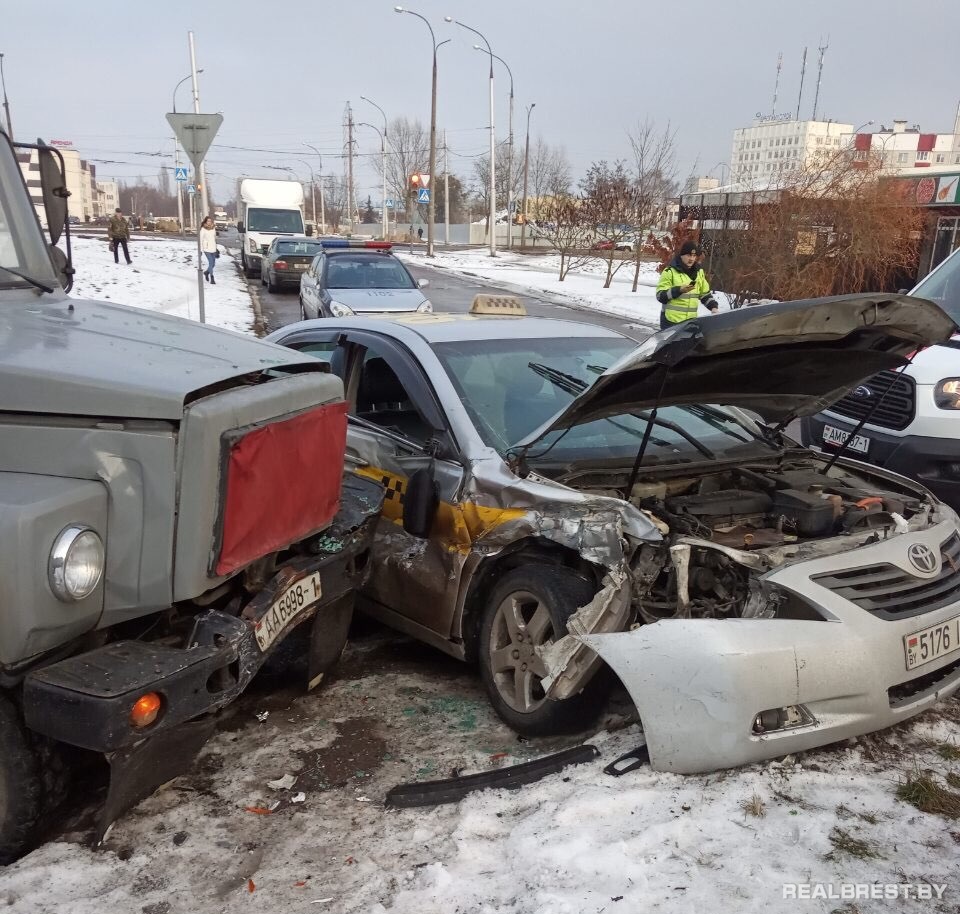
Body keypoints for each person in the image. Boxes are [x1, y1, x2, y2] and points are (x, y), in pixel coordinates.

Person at [655, 240, 718, 330]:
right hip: (671, 323)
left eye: (694, 256)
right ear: (682, 256)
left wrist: (713, 307)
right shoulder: (670, 271)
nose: (691, 259)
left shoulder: (699, 272)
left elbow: (705, 294)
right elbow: (660, 296)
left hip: (690, 323)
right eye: (688, 255)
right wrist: (679, 290)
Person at [199, 216, 218, 283]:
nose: (209, 222)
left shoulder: (213, 228)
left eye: (210, 221)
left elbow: (214, 239)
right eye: (208, 221)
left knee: (213, 264)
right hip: (206, 249)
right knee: (211, 262)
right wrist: (201, 250)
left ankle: (206, 272)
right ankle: (212, 277)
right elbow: (200, 240)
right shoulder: (203, 229)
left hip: (213, 248)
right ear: (205, 222)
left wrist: (216, 249)